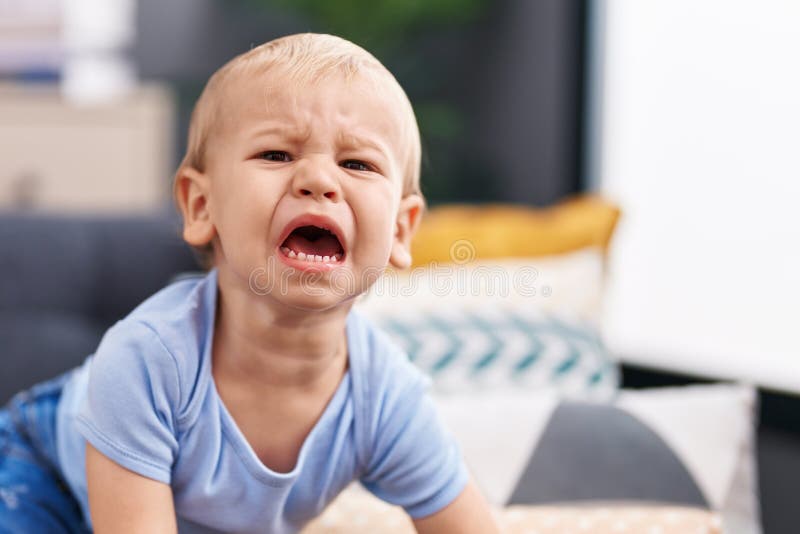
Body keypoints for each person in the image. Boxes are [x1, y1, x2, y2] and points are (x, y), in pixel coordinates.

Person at [0, 33, 499, 533]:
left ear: (399, 229)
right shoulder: (147, 360)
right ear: (201, 206)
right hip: (41, 473)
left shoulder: (384, 397)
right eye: (277, 154)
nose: (320, 180)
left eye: (357, 164)